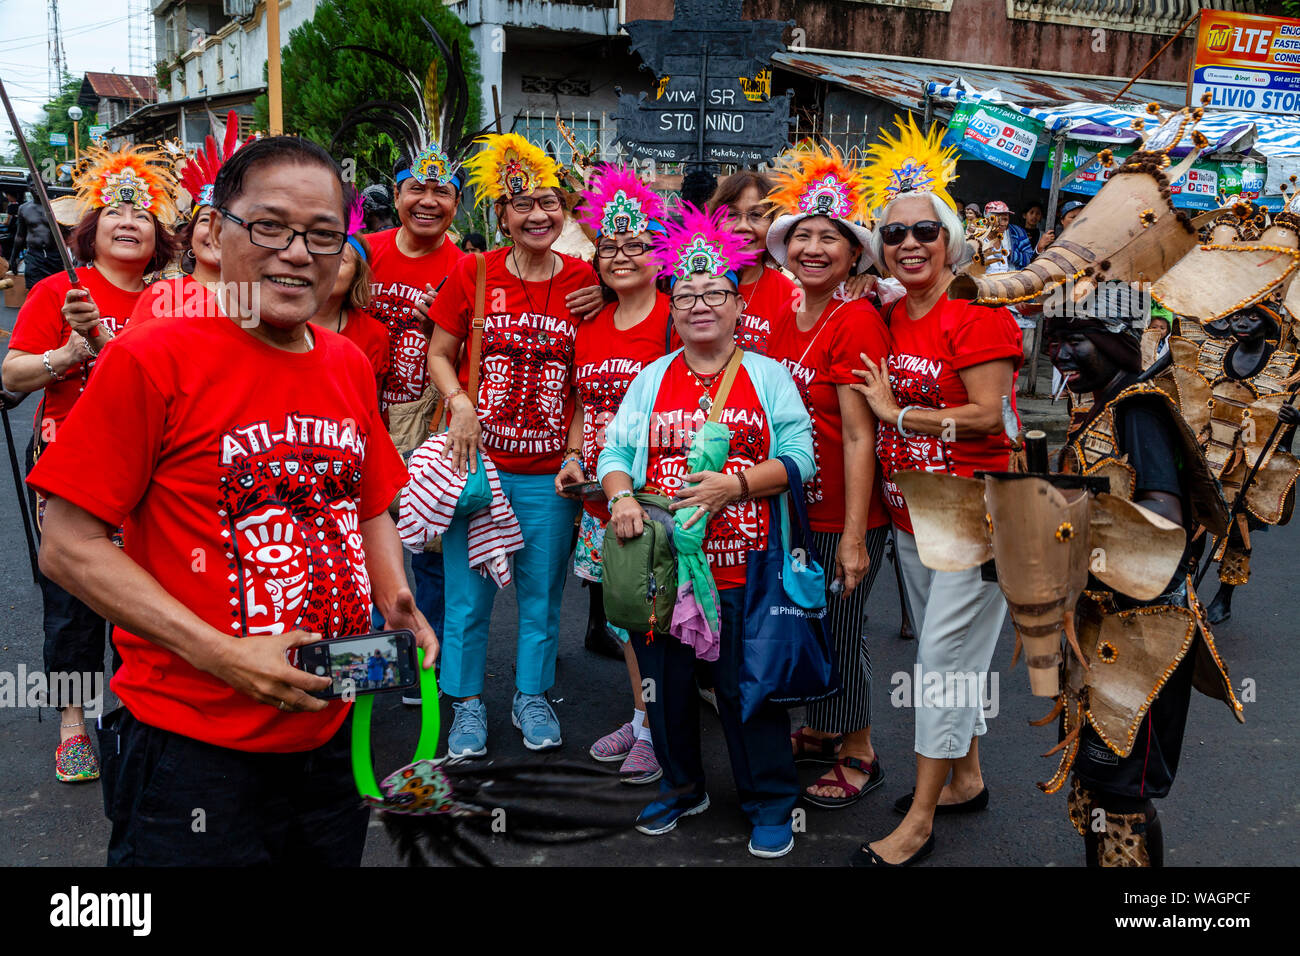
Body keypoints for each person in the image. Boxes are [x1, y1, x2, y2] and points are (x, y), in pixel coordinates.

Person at [25, 135, 436, 865]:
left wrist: (396, 594)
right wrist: (224, 655)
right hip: (192, 750)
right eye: (270, 226)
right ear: (213, 231)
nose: (296, 253)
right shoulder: (151, 357)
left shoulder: (344, 362)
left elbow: (367, 503)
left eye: (322, 235)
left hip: (329, 730)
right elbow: (67, 544)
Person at [598, 203, 816, 859]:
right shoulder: (650, 379)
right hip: (661, 570)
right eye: (686, 294)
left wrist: (738, 485)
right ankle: (682, 785)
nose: (699, 304)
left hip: (744, 567)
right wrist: (619, 500)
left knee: (746, 695)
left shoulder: (767, 376)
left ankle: (771, 801)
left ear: (736, 307)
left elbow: (802, 458)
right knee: (664, 693)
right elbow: (614, 454)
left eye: (713, 293)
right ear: (673, 306)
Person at [849, 115, 1022, 866]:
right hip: (915, 515)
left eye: (924, 232)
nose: (909, 244)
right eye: (893, 235)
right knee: (953, 656)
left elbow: (988, 416)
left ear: (950, 241)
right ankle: (966, 779)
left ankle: (918, 819)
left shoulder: (977, 318)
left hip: (978, 515)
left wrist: (900, 413)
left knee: (941, 666)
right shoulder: (889, 315)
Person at [1044, 289, 1243, 865]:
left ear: (1116, 339)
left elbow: (1162, 523)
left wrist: (1066, 527)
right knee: (1099, 781)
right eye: (1054, 339)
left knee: (1122, 790)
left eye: (1075, 338)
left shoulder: (1139, 409)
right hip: (1102, 626)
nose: (1060, 353)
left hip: (1143, 636)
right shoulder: (1105, 404)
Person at [2, 144, 179, 784]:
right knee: (74, 599)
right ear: (92, 229)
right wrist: (71, 351)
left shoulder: (177, 298)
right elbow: (13, 374)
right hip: (71, 463)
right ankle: (73, 721)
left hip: (153, 469)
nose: (127, 222)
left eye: (142, 216)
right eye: (114, 214)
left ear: (159, 233)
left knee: (147, 593)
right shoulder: (59, 290)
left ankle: (136, 711)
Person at [427, 133, 595, 758]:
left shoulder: (585, 280)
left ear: (566, 210)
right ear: (500, 213)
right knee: (467, 598)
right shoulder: (471, 272)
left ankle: (530, 694)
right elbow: (440, 353)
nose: (537, 215)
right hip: (477, 467)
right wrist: (460, 403)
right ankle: (465, 706)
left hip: (549, 474)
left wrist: (578, 454)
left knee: (540, 595)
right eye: (521, 203)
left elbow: (593, 369)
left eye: (549, 202)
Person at [762, 144, 892, 807]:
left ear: (853, 255)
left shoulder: (858, 317)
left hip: (846, 512)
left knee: (841, 628)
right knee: (809, 620)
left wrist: (851, 537)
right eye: (802, 236)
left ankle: (860, 748)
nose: (813, 248)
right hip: (795, 509)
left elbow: (862, 433)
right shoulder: (789, 315)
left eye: (829, 239)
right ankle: (819, 728)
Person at [559, 164, 672, 784]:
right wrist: (575, 457)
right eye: (611, 244)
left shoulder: (673, 322)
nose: (623, 254)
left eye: (638, 244)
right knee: (629, 618)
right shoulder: (590, 324)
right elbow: (582, 405)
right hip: (603, 497)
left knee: (661, 618)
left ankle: (661, 728)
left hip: (656, 498)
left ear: (661, 253)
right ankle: (644, 715)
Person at [130, 117, 248, 325]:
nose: (217, 230)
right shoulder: (161, 295)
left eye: (230, 220)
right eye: (205, 220)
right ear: (190, 234)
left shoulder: (261, 297)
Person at [706, 170, 799, 355]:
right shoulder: (689, 285)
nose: (742, 226)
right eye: (731, 214)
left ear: (775, 225)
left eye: (756, 215)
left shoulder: (790, 295)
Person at [310, 199, 389, 392]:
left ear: (357, 275)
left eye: (341, 260)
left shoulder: (374, 335)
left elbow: (369, 409)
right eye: (322, 256)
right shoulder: (281, 320)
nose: (328, 267)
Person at [12, 185, 64, 290]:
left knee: (56, 289)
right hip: (34, 256)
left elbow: (69, 233)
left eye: (38, 183)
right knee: (34, 290)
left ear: (45, 186)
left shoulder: (57, 207)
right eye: (32, 185)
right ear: (28, 188)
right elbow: (20, 236)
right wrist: (14, 257)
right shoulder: (24, 208)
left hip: (55, 256)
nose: (36, 187)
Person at [983, 200, 1033, 269]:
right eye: (998, 219)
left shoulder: (1018, 232)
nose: (1002, 223)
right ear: (988, 220)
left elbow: (1030, 258)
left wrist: (1011, 255)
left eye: (1005, 219)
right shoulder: (979, 238)